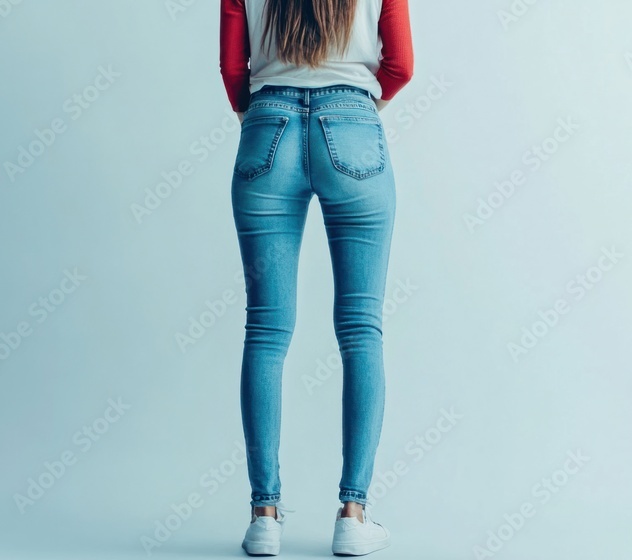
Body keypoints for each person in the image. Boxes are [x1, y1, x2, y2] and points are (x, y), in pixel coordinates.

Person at [218, 0, 413, 555]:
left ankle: (264, 517)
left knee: (266, 330)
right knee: (360, 329)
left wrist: (254, 112)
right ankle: (353, 514)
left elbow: (235, 70)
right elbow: (400, 66)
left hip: (267, 130)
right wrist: (356, 104)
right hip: (351, 127)